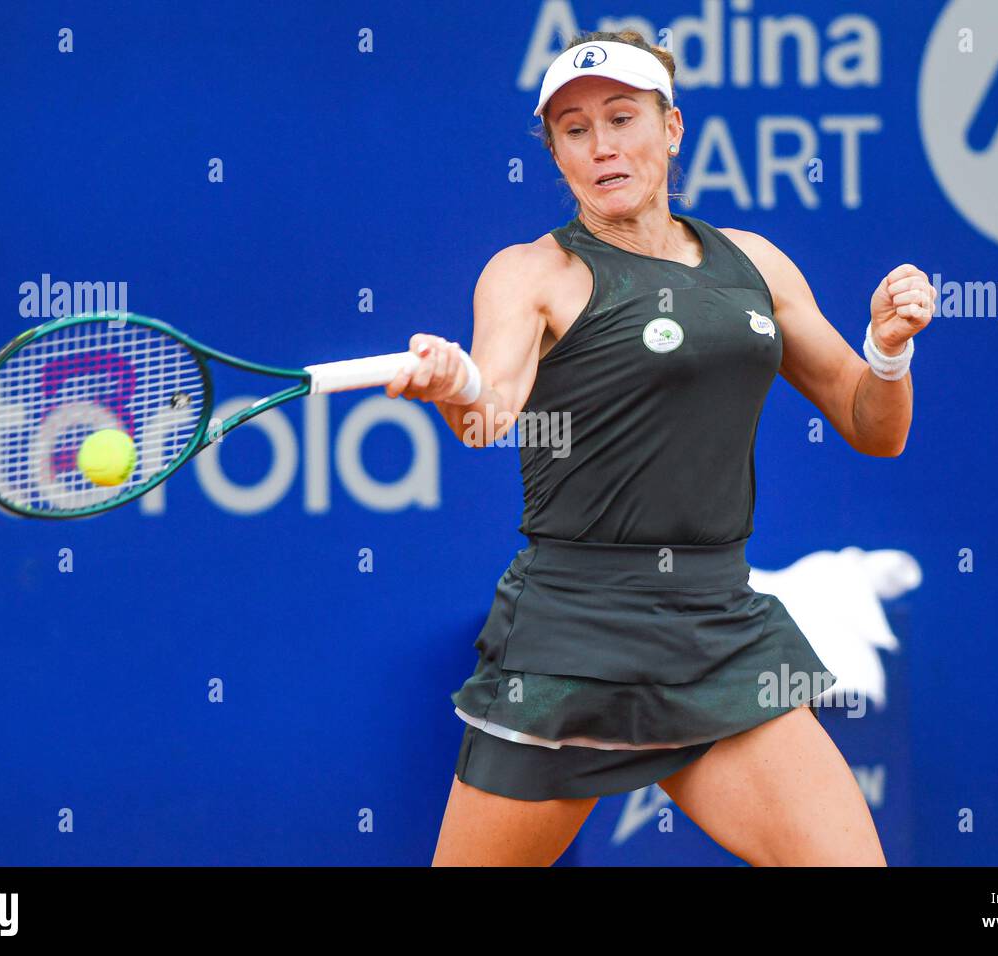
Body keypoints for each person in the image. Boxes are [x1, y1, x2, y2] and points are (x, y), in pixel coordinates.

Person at [385, 30, 935, 866]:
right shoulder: (530, 273)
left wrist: (889, 351)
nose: (602, 145)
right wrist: (457, 388)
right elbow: (488, 412)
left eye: (622, 117)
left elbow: (873, 426)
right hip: (571, 638)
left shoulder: (754, 264)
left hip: (719, 630)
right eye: (574, 129)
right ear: (557, 154)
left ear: (671, 128)